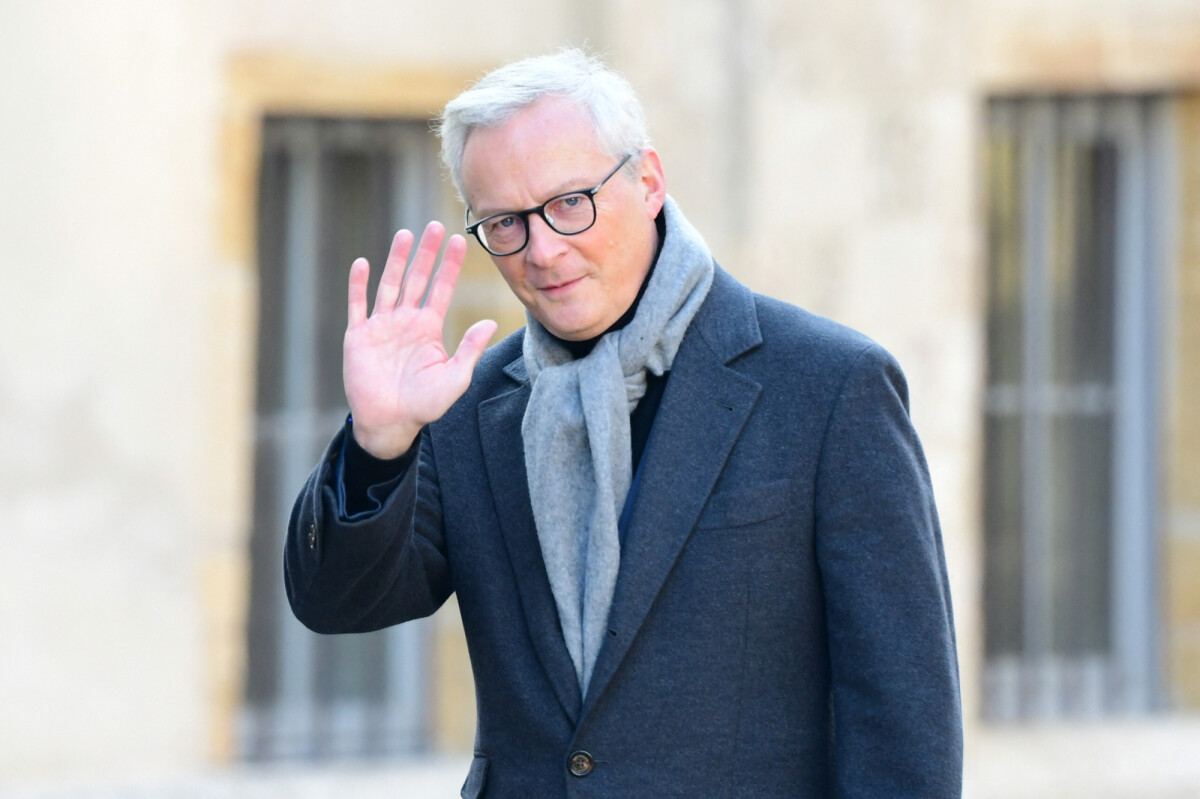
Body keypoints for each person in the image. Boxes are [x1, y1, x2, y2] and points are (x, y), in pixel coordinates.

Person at [285, 48, 962, 798]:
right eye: (505, 222)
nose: (542, 249)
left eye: (570, 201)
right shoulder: (465, 404)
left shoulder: (831, 388)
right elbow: (337, 603)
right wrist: (379, 446)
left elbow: (903, 727)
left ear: (647, 182)